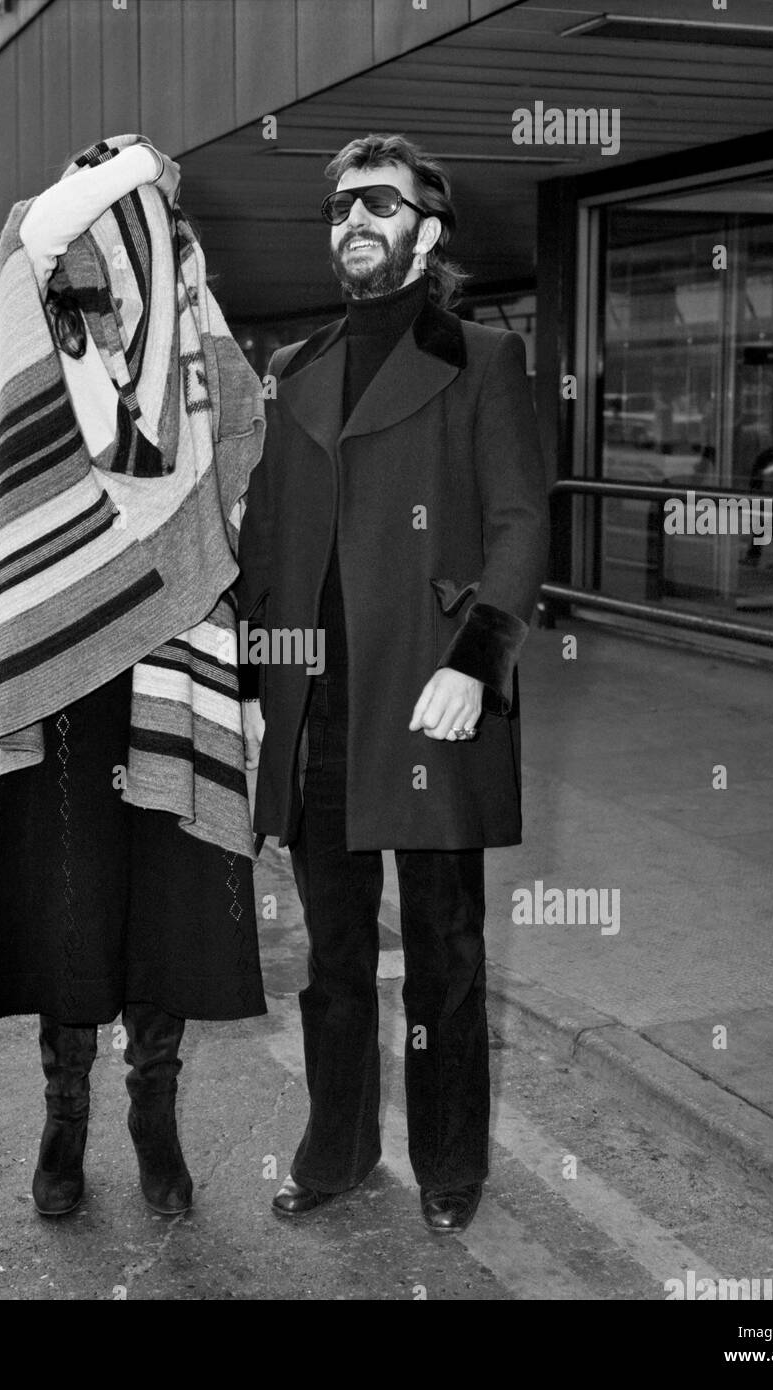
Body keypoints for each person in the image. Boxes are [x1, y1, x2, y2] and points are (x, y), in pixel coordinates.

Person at [236, 134, 550, 1234]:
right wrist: (255, 702)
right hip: (320, 715)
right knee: (328, 961)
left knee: (443, 959)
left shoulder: (481, 359)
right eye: (337, 207)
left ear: (429, 227)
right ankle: (336, 1149)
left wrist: (480, 657)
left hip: (429, 704)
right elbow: (270, 557)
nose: (352, 220)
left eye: (378, 201)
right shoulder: (295, 369)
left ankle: (449, 1164)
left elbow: (518, 525)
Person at [0, 134, 267, 1220]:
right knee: (67, 897)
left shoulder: (183, 344)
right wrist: (134, 161)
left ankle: (155, 1109)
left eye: (135, 246)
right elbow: (39, 229)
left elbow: (242, 436)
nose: (115, 260)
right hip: (64, 660)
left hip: (170, 650)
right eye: (104, 238)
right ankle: (65, 1117)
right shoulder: (31, 316)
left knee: (165, 888)